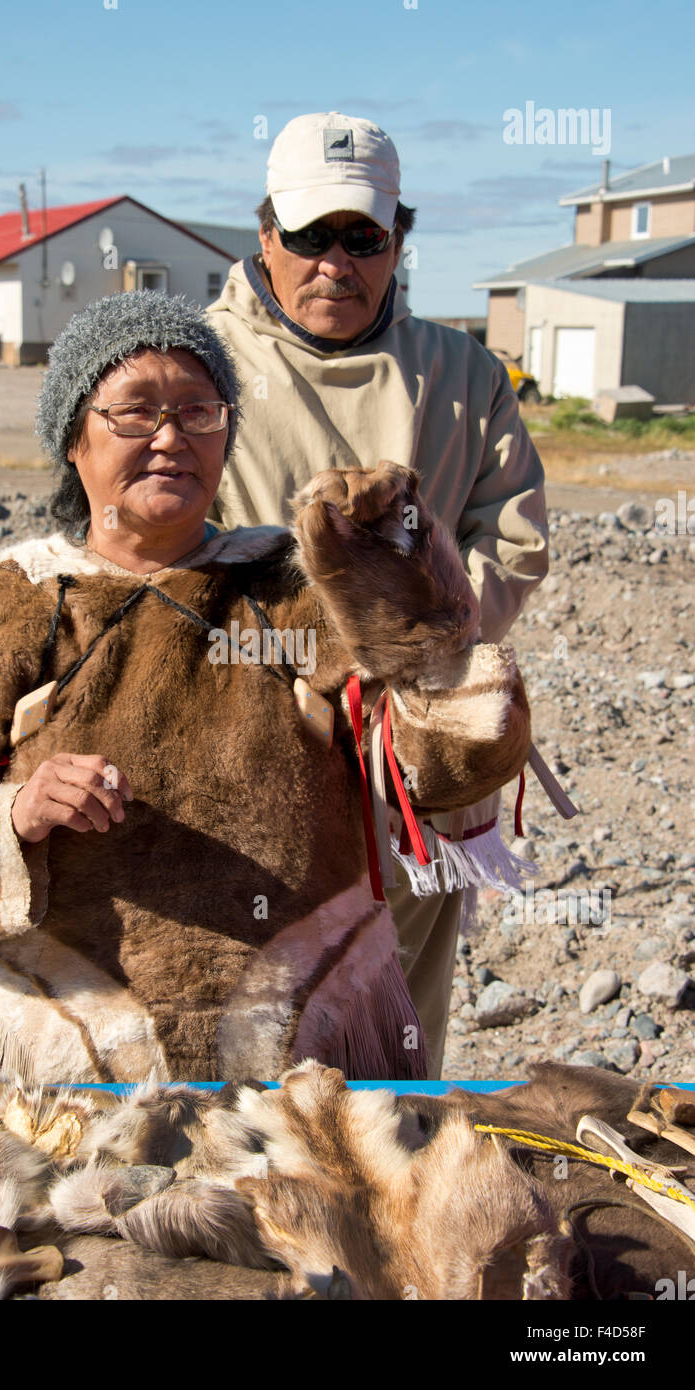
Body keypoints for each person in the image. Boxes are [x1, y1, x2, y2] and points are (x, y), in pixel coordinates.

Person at [0, 291, 530, 1086]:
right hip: (68, 1067)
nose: (170, 438)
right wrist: (11, 813)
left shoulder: (297, 592)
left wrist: (419, 604)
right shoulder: (12, 609)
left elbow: (448, 770)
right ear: (73, 437)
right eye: (133, 413)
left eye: (199, 412)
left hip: (308, 1058)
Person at [207, 112, 549, 1078]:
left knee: (392, 1027)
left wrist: (415, 646)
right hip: (241, 741)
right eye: (310, 236)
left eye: (361, 237)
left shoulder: (464, 373)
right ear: (265, 233)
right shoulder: (193, 365)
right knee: (235, 1018)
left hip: (415, 752)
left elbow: (514, 539)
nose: (334, 262)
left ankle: (392, 1197)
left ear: (399, 235)